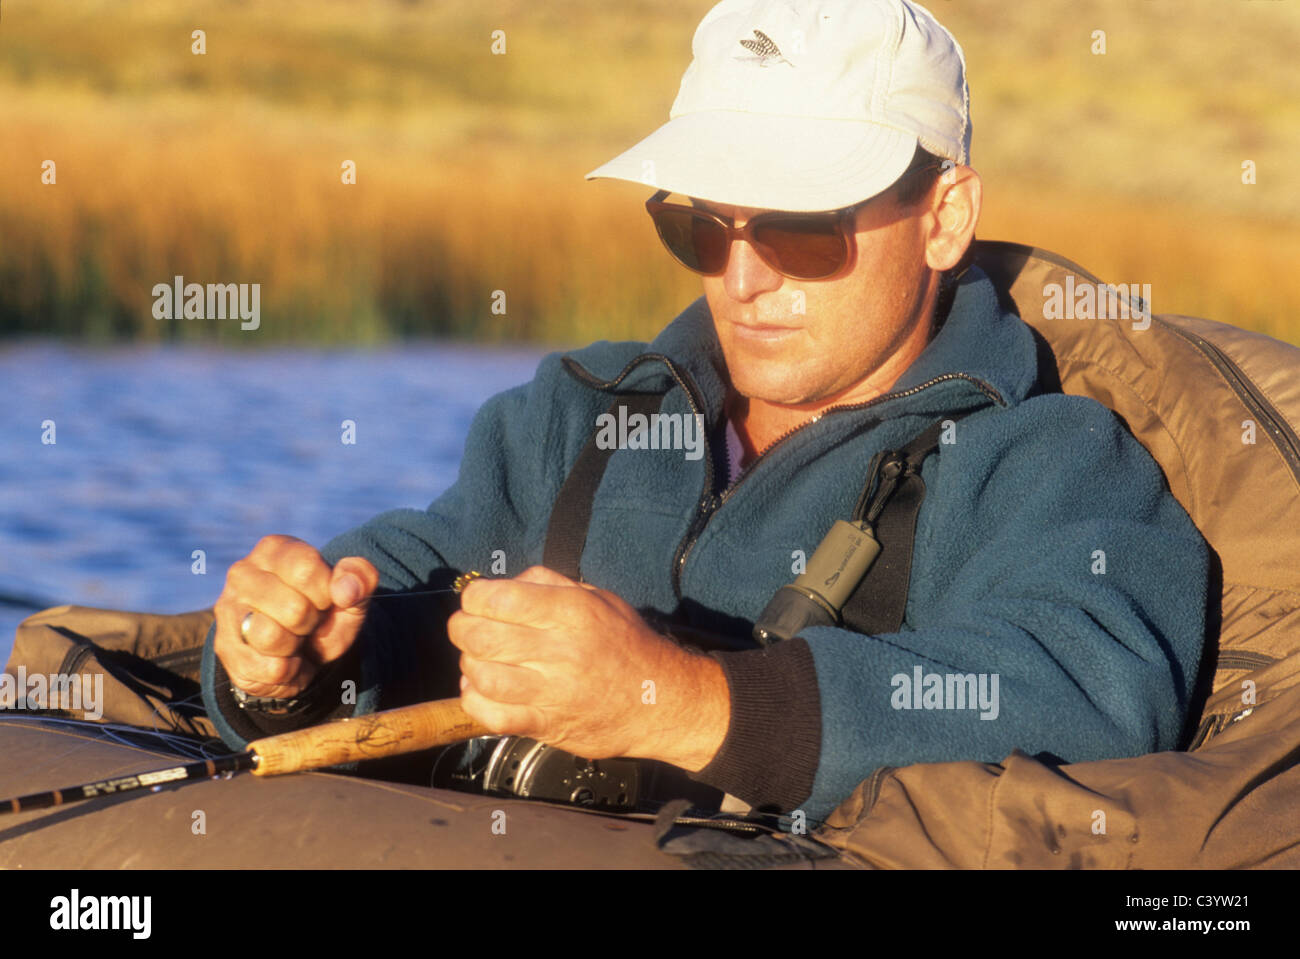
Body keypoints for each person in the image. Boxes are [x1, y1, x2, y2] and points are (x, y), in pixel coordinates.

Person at [200, 0, 1210, 822]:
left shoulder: (1050, 461)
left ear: (944, 218)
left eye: (802, 232)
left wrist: (679, 703)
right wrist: (284, 660)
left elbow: (1089, 695)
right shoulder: (573, 415)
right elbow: (405, 577)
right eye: (703, 229)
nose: (742, 277)